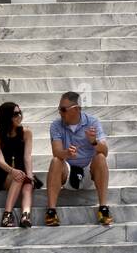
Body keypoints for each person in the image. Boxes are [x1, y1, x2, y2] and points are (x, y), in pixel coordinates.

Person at [45, 89, 113, 227]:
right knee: (55, 161)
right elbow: (56, 151)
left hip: (88, 171)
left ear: (76, 109)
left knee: (100, 158)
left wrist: (94, 141)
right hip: (68, 171)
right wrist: (66, 153)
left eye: (63, 109)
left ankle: (103, 208)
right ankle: (51, 211)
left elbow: (105, 151)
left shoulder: (93, 122)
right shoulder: (56, 125)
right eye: (59, 109)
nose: (60, 112)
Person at [0, 101, 41, 228]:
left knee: (28, 183)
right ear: (6, 117)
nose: (19, 116)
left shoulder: (26, 132)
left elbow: (27, 156)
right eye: (15, 114)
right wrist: (13, 171)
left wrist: (30, 176)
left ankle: (25, 215)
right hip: (4, 174)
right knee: (18, 176)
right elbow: (0, 161)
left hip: (22, 171)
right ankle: (7, 215)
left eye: (20, 113)